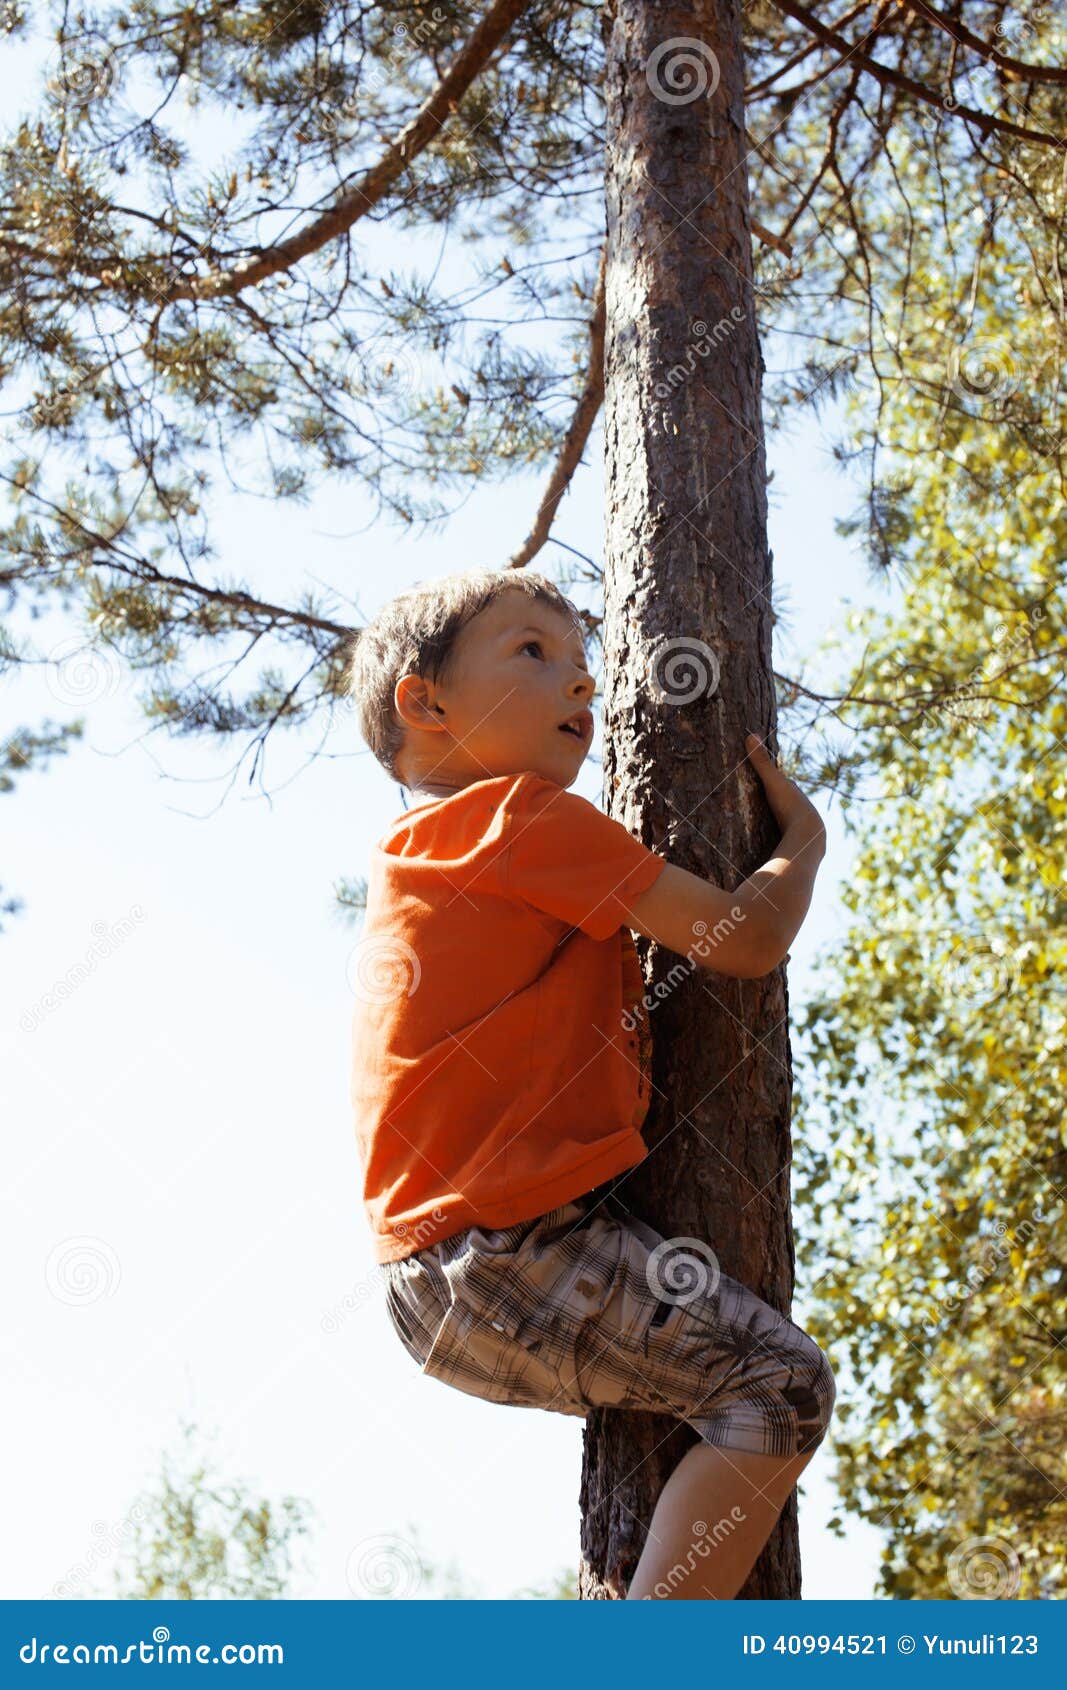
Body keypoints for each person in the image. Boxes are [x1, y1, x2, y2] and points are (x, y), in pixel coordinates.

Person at [345, 565, 835, 1600]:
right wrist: (802, 844)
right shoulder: (517, 818)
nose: (580, 681)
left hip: (443, 1275)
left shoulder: (420, 854)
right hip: (502, 1256)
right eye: (531, 651)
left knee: (700, 1389)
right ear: (424, 703)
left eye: (581, 660)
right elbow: (742, 940)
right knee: (777, 1384)